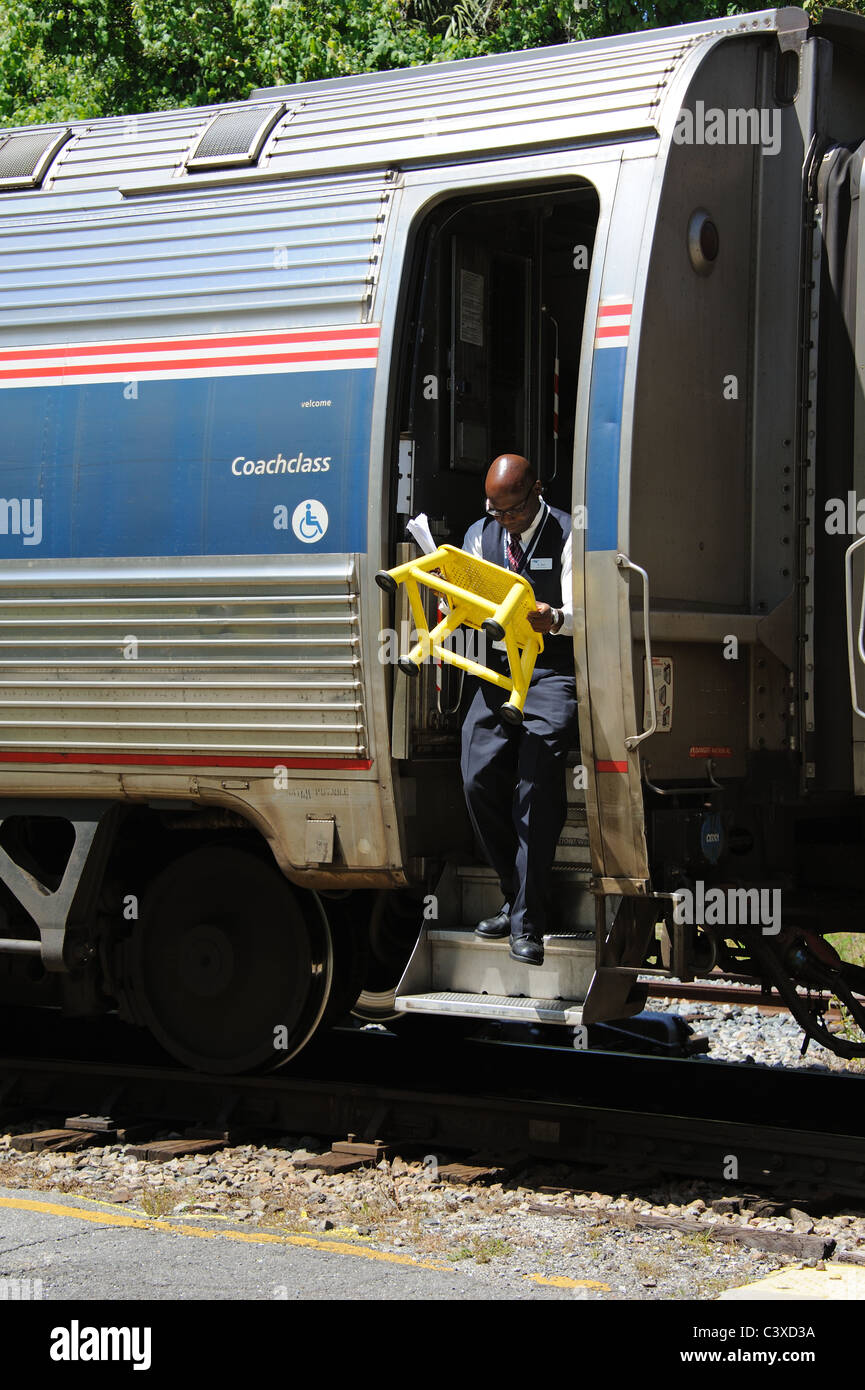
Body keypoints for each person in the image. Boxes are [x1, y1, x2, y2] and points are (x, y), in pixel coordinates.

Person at [460, 454, 578, 967]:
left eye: (510, 511)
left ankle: (529, 921)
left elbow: (582, 612)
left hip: (550, 674)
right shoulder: (479, 535)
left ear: (535, 493)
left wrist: (555, 618)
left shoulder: (568, 534)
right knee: (476, 778)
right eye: (494, 511)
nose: (501, 520)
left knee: (536, 786)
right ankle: (516, 896)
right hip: (498, 672)